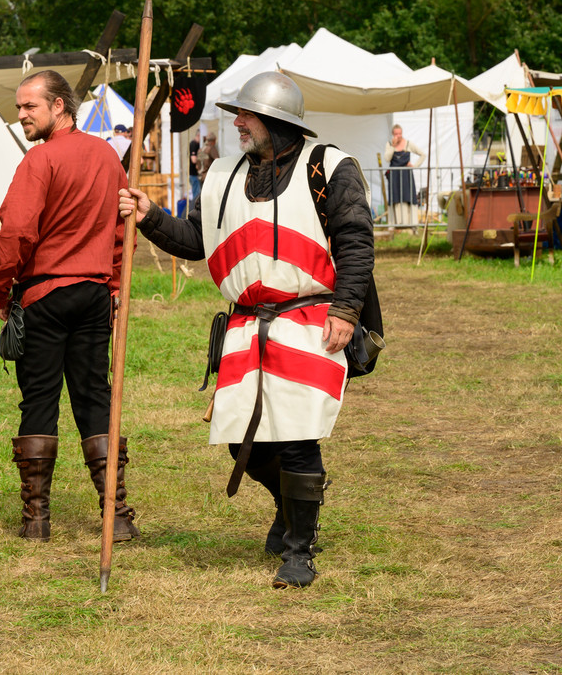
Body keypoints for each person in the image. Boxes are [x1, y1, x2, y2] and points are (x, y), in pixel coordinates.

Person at [119, 71, 374, 589]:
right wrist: (150, 217)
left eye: (246, 115)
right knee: (243, 440)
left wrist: (347, 311)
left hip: (309, 321)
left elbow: (355, 240)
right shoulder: (223, 175)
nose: (236, 122)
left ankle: (300, 550)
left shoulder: (329, 167)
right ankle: (291, 505)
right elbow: (199, 240)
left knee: (297, 435)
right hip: (244, 327)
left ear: (276, 122)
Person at [0, 70, 138, 543]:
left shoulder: (40, 161)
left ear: (59, 106)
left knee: (40, 401)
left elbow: (15, 233)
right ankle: (117, 514)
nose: (21, 116)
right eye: (18, 108)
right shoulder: (106, 157)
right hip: (94, 294)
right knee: (95, 398)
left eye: (29, 106)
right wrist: (112, 284)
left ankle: (37, 520)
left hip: (46, 295)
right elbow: (120, 230)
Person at [383, 124, 424, 226]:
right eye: (396, 134)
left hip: (406, 175)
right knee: (395, 198)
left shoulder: (408, 144)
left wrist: (414, 166)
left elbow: (423, 154)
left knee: (408, 196)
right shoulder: (389, 144)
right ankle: (396, 223)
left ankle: (410, 223)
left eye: (400, 133)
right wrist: (393, 146)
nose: (398, 135)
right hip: (394, 176)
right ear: (393, 134)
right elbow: (387, 158)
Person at [188, 135, 202, 200]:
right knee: (196, 196)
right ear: (198, 135)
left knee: (197, 194)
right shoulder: (193, 144)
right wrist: (200, 160)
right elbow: (193, 160)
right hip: (194, 174)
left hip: (194, 175)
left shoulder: (197, 144)